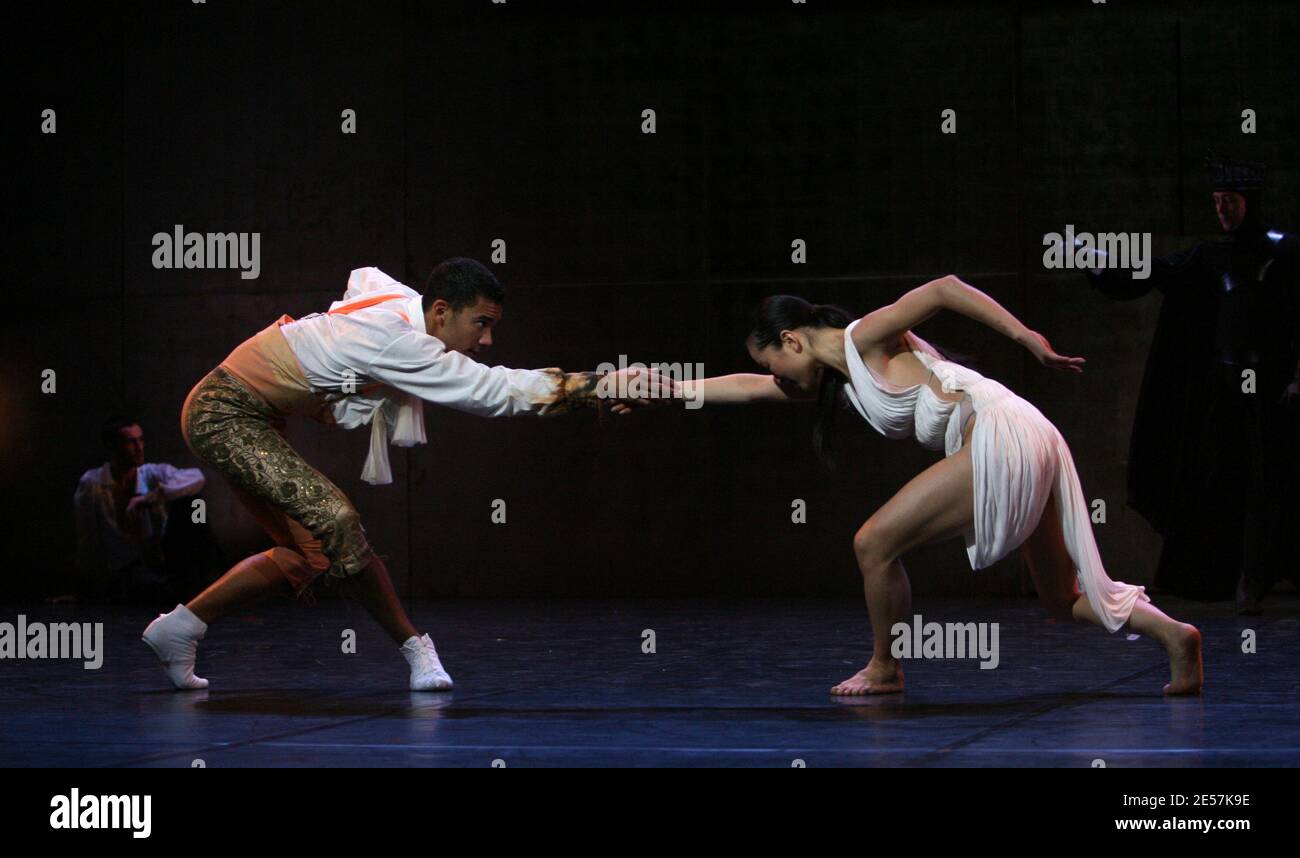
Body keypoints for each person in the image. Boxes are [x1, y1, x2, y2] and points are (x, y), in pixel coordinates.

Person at [143, 259, 662, 691]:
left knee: (315, 553)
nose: (487, 339)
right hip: (223, 412)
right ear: (440, 311)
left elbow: (363, 275)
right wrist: (601, 385)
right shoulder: (399, 342)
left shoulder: (399, 302)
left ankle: (181, 627)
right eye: (481, 323)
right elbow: (494, 392)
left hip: (251, 412)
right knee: (336, 518)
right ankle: (416, 648)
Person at [681, 277, 1203, 695]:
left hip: (1002, 432)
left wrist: (1024, 337)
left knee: (873, 542)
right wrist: (666, 388)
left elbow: (944, 288)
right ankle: (1175, 635)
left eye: (769, 360)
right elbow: (749, 391)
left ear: (790, 340)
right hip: (1029, 432)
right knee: (1059, 600)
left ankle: (885, 667)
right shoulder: (843, 379)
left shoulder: (864, 338)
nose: (774, 374)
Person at [1085, 155, 1300, 610]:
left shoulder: (1283, 252)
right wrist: (1106, 267)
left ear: (1250, 202)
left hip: (1273, 391)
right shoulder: (1210, 256)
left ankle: (1257, 576)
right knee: (1214, 478)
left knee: (1271, 480)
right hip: (1224, 389)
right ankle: (1213, 575)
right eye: (1217, 201)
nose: (1222, 208)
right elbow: (1159, 271)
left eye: (1231, 200)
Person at [75, 417, 207, 603]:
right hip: (125, 571)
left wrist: (152, 496)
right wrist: (86, 589)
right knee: (144, 585)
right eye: (131, 442)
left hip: (161, 562)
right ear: (112, 446)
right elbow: (88, 540)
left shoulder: (152, 473)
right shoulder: (93, 484)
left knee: (192, 502)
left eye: (141, 440)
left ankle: (198, 582)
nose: (139, 447)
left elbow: (197, 478)